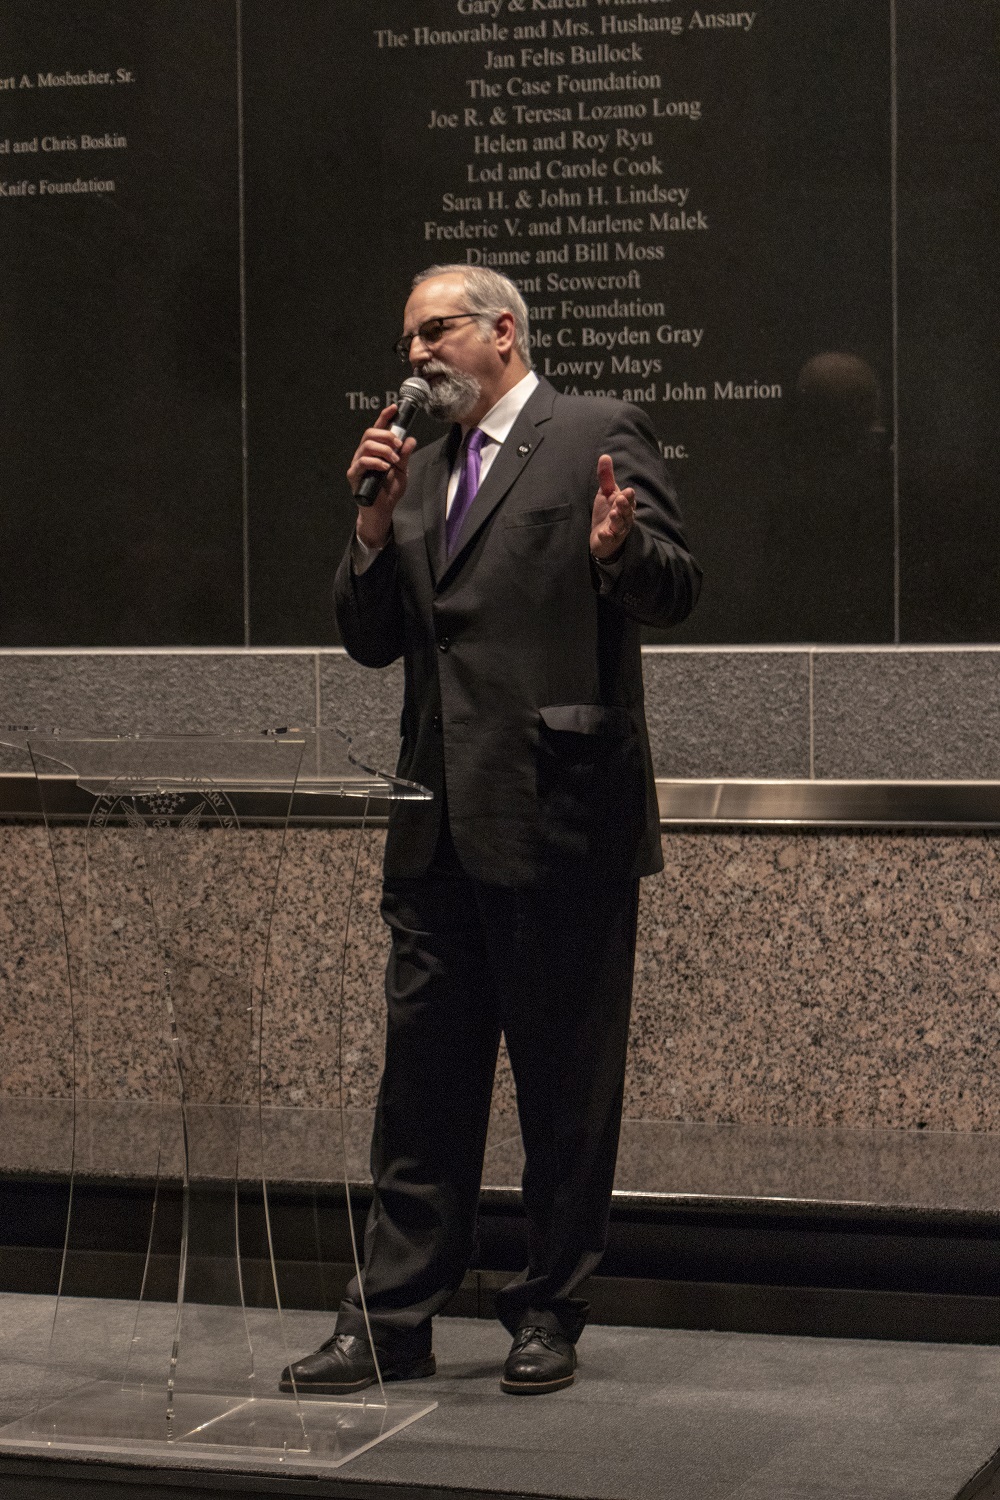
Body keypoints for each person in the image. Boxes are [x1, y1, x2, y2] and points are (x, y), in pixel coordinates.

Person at [281, 264, 700, 1397]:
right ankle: (392, 1319)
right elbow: (373, 640)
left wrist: (616, 552)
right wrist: (371, 522)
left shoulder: (596, 433)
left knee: (565, 1089)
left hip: (559, 813)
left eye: (437, 332)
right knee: (420, 1090)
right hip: (434, 823)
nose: (417, 355)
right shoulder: (413, 467)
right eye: (409, 340)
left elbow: (674, 587)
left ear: (503, 331)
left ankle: (548, 1309)